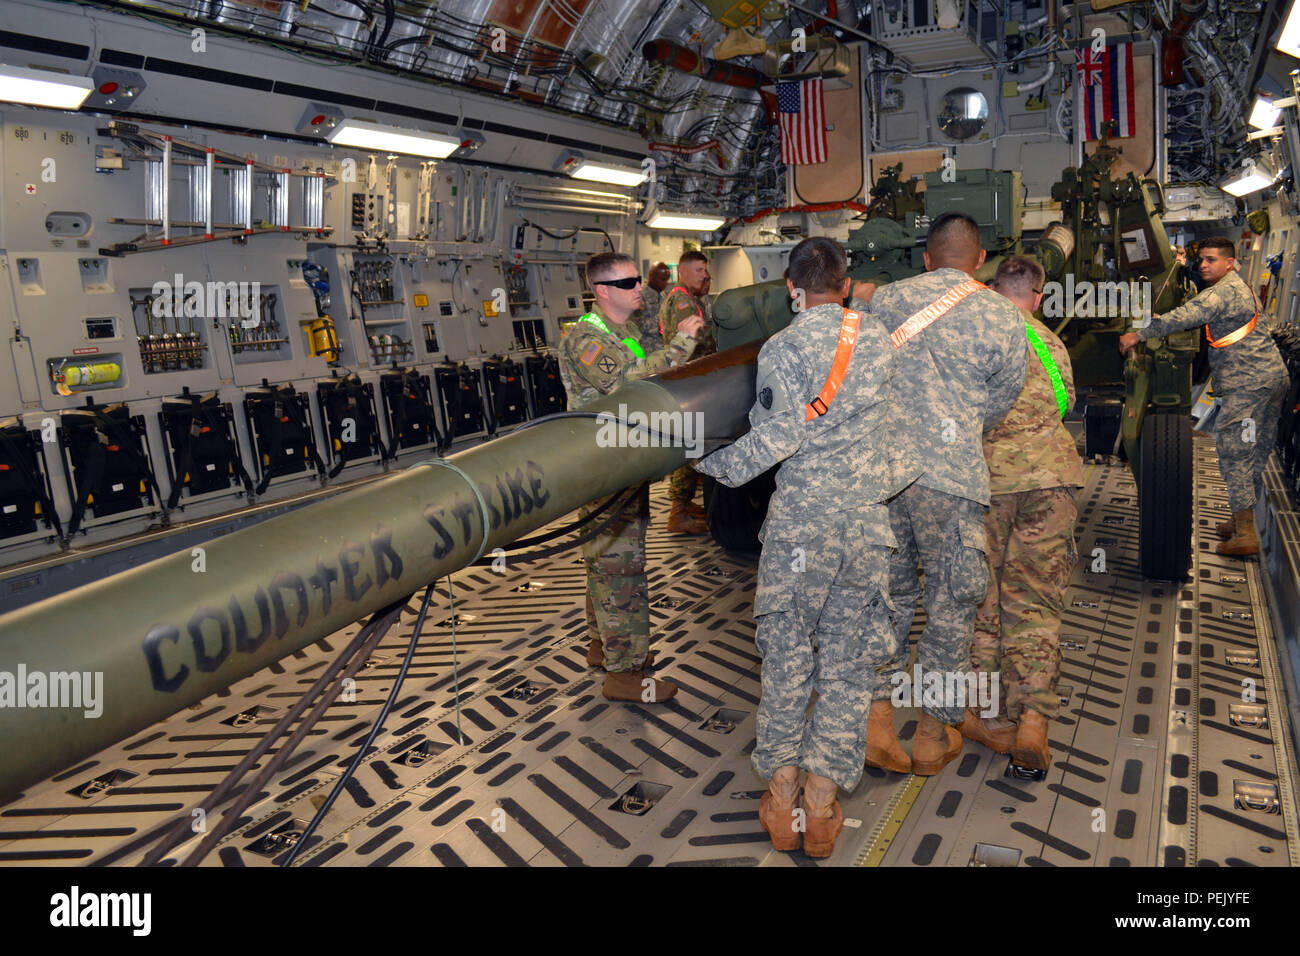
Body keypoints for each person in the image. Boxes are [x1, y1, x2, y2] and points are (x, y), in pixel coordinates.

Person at [695, 237, 910, 857]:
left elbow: (776, 438)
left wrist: (709, 464)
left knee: (788, 661)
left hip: (801, 530)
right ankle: (822, 808)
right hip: (865, 528)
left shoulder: (782, 347)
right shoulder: (873, 338)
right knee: (847, 665)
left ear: (793, 289)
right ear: (842, 286)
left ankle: (781, 797)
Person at [865, 212, 1027, 776]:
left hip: (883, 479)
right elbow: (998, 407)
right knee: (952, 609)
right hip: (953, 482)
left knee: (884, 599)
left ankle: (877, 724)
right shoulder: (1003, 316)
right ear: (980, 259)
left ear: (927, 258)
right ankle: (933, 735)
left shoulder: (881, 304)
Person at [559, 252, 704, 701]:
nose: (639, 287)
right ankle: (625, 675)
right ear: (603, 292)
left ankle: (603, 645)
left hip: (624, 460)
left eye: (638, 280)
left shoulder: (622, 331)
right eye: (627, 283)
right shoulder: (585, 338)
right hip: (605, 466)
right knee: (620, 567)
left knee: (604, 560)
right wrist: (682, 343)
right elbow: (624, 382)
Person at [968, 256, 1083, 771]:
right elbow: (1064, 404)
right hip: (1051, 480)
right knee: (1035, 600)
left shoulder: (978, 336)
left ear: (993, 291)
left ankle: (989, 716)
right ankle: (1033, 720)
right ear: (1037, 297)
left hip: (990, 482)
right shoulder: (1050, 341)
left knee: (983, 596)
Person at [1119, 236, 1289, 555]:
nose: (1204, 265)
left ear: (1229, 262)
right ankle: (1241, 520)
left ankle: (1245, 533)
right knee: (1255, 451)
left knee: (1236, 451)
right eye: (1202, 260)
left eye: (1212, 260)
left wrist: (1138, 334)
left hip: (1247, 383)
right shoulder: (1241, 286)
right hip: (1271, 378)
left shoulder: (1221, 293)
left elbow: (1186, 316)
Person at [658, 251, 714, 534]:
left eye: (706, 269)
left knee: (694, 446)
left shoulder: (691, 300)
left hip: (693, 382)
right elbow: (692, 343)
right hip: (690, 384)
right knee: (691, 447)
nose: (705, 275)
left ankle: (685, 505)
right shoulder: (682, 301)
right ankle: (678, 513)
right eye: (699, 270)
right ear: (683, 272)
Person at [632, 262, 671, 352]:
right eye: (662, 279)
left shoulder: (663, 295)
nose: (665, 283)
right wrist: (663, 319)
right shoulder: (640, 296)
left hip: (663, 349)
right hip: (647, 350)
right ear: (652, 276)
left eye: (667, 280)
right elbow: (638, 326)